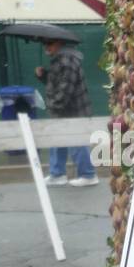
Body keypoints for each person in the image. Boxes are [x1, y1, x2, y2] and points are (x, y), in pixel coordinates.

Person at [35, 39, 97, 187]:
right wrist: (43, 75)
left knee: (76, 142)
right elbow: (57, 83)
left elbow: (65, 88)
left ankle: (88, 175)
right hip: (65, 109)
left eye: (49, 44)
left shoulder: (67, 61)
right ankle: (57, 174)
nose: (46, 46)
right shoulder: (60, 60)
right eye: (45, 44)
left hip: (72, 110)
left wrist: (54, 106)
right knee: (57, 141)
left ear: (59, 44)